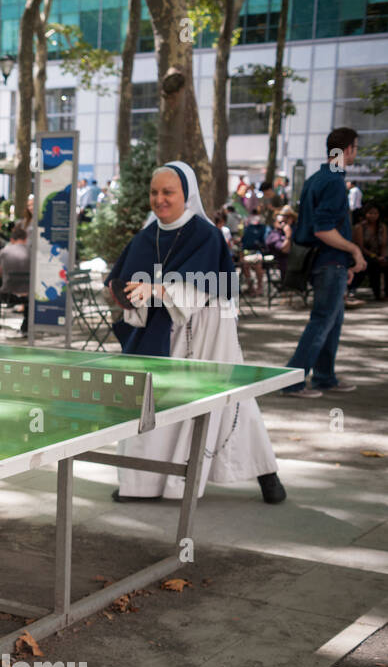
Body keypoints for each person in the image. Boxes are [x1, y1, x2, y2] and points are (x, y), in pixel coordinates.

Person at [105, 161, 285, 506]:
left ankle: (266, 473)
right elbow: (122, 286)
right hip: (159, 334)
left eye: (168, 192)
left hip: (208, 331)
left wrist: (155, 291)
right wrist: (130, 294)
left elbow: (211, 286)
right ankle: (140, 483)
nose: (160, 199)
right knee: (154, 406)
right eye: (155, 192)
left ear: (185, 195)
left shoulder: (205, 233)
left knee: (231, 401)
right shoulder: (145, 238)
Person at [281, 128, 365, 398]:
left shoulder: (317, 178)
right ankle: (292, 381)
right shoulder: (333, 182)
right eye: (355, 148)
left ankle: (325, 377)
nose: (356, 152)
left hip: (326, 262)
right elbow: (322, 229)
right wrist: (354, 251)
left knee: (332, 320)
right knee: (322, 321)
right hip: (329, 262)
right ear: (348, 149)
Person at [0, 226, 31, 336]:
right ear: (25, 239)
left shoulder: (4, 251)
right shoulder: (32, 252)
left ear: (12, 239)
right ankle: (26, 328)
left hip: (7, 294)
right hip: (28, 295)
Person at [351, 203, 386, 301]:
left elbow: (384, 245)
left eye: (375, 213)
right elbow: (360, 247)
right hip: (362, 255)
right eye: (370, 213)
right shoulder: (360, 227)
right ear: (365, 214)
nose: (373, 216)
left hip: (378, 255)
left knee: (384, 262)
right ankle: (377, 293)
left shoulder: (382, 227)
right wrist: (375, 256)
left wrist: (383, 256)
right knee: (372, 263)